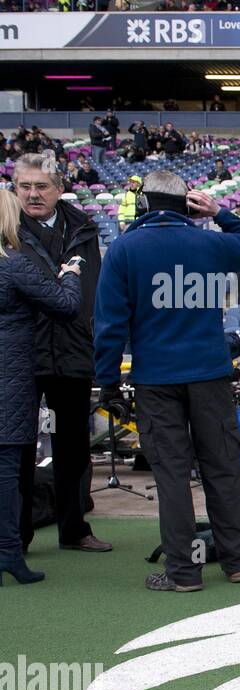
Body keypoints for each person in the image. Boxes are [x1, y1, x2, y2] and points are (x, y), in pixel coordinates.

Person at [94, 172, 240, 592]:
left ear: (145, 203)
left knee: (172, 476)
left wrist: (107, 382)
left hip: (156, 378)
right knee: (222, 468)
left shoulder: (123, 249)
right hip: (209, 374)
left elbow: (109, 325)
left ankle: (184, 572)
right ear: (187, 204)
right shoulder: (208, 242)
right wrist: (220, 212)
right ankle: (237, 562)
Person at [13, 152, 111, 555]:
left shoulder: (84, 229)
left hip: (72, 350)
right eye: (25, 186)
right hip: (21, 353)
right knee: (17, 447)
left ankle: (74, 529)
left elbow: (95, 292)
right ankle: (15, 536)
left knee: (74, 448)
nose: (33, 194)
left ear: (59, 188)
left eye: (41, 186)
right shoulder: (6, 229)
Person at [0, 189, 83, 586]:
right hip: (11, 377)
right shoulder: (13, 264)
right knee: (6, 471)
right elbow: (65, 305)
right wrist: (70, 275)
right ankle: (8, 553)